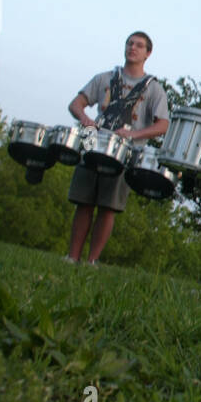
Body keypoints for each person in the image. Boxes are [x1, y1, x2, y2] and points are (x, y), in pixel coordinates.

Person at [65, 32, 170, 264]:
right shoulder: (104, 78)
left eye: (139, 45)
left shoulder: (154, 89)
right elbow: (76, 104)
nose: (133, 48)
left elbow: (163, 125)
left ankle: (91, 261)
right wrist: (84, 118)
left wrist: (134, 134)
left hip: (125, 152)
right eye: (130, 43)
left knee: (108, 207)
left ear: (148, 53)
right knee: (83, 202)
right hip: (94, 144)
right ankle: (72, 257)